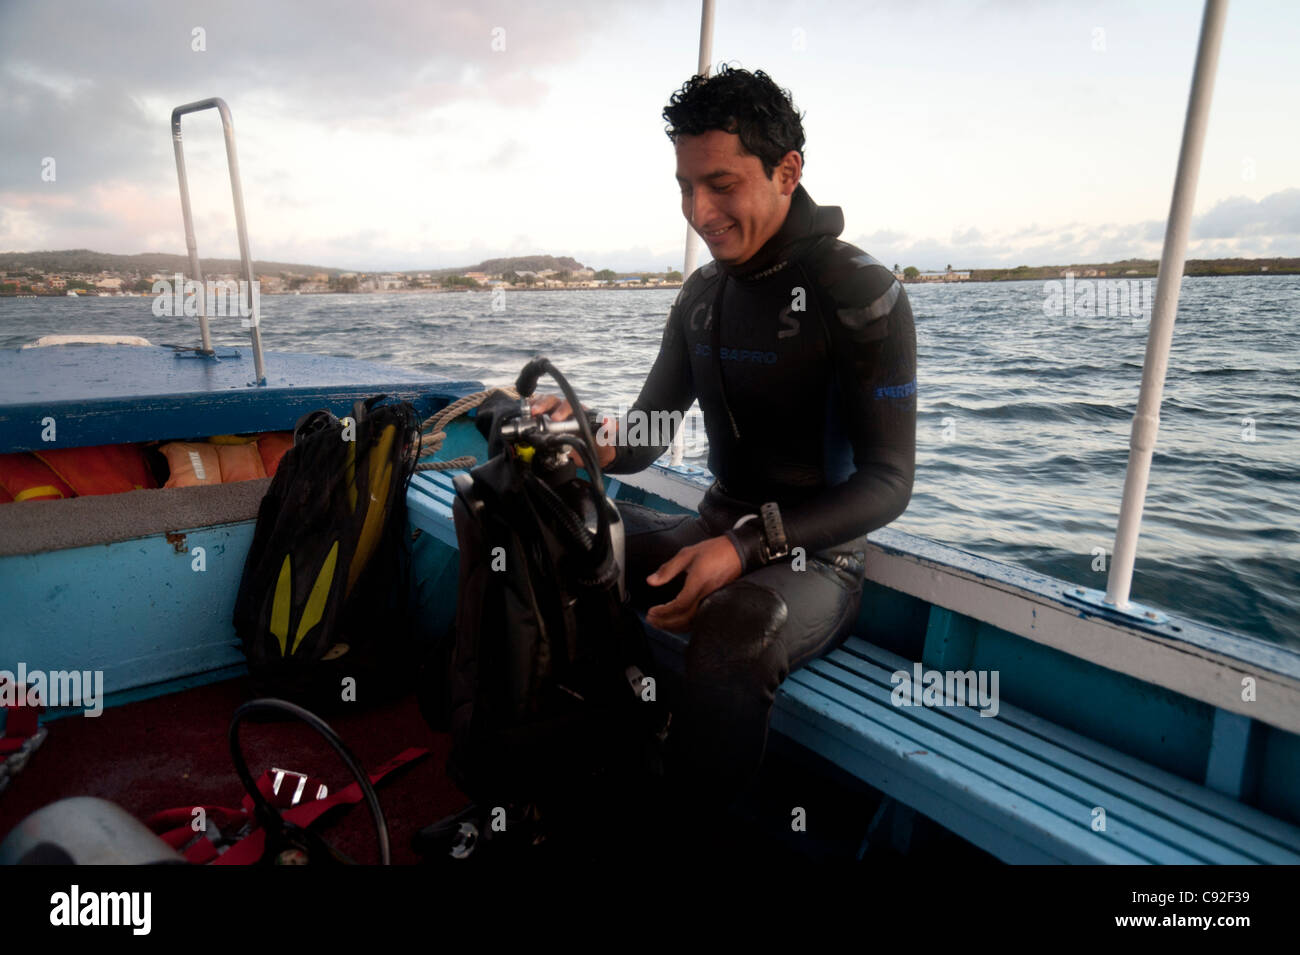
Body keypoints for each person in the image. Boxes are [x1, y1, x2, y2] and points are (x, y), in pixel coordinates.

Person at [530, 65, 916, 838]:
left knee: (734, 629)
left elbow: (888, 482)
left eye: (721, 184)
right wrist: (582, 436)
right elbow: (646, 435)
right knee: (558, 542)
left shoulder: (859, 291)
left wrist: (746, 546)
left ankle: (680, 828)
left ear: (787, 171)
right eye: (684, 186)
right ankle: (610, 759)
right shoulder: (703, 294)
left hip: (816, 563)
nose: (698, 212)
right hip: (716, 529)